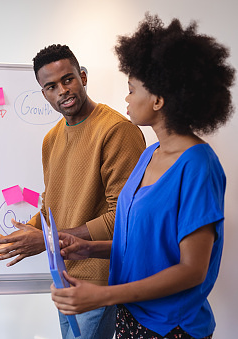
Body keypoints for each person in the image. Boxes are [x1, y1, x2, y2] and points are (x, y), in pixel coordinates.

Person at [50, 14, 235, 339]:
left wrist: (104, 295)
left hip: (172, 327)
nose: (126, 98)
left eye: (132, 89)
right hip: (132, 317)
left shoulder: (198, 166)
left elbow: (192, 270)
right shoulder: (150, 154)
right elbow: (142, 243)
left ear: (159, 100)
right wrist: (89, 249)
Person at [0, 44, 146, 339]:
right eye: (51, 86)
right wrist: (11, 241)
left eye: (68, 79)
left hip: (102, 281)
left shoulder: (116, 130)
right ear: (44, 93)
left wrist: (49, 240)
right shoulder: (51, 139)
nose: (62, 90)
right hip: (64, 278)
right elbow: (53, 207)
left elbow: (125, 218)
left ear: (83, 78)